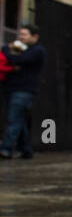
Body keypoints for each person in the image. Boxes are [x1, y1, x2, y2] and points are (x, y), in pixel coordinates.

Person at [1, 23, 45, 159]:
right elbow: (4, 49)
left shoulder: (38, 50)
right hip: (11, 87)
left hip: (25, 89)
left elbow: (18, 59)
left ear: (35, 36)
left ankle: (6, 148)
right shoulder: (22, 47)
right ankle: (26, 149)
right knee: (19, 118)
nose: (21, 37)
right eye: (20, 34)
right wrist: (9, 52)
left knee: (14, 118)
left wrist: (10, 52)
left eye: (24, 34)